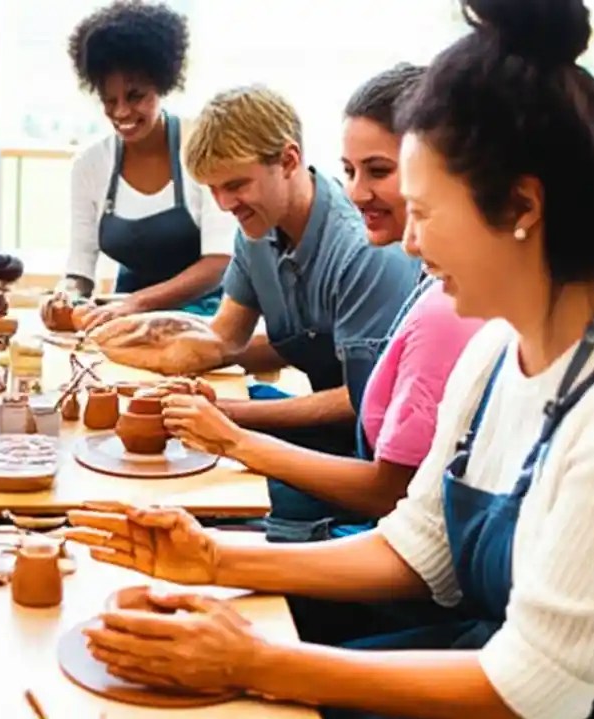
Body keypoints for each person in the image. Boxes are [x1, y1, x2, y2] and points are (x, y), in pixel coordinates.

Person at [67, 0, 594, 716]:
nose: (411, 244)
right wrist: (211, 559)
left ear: (520, 207)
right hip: (480, 653)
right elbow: (421, 546)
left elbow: (532, 686)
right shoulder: (499, 348)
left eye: (428, 212)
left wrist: (260, 660)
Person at [162, 65, 484, 540]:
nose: (356, 191)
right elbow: (225, 339)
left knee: (207, 508)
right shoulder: (431, 285)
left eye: (378, 171)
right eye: (350, 171)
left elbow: (389, 491)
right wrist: (143, 337)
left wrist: (231, 430)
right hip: (386, 496)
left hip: (371, 490)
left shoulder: (385, 265)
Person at [42, 0, 236, 330]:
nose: (121, 113)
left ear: (162, 84)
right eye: (109, 100)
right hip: (124, 320)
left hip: (205, 319)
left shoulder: (202, 146)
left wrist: (136, 304)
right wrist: (64, 298)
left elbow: (219, 262)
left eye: (135, 96)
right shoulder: (90, 166)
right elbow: (80, 270)